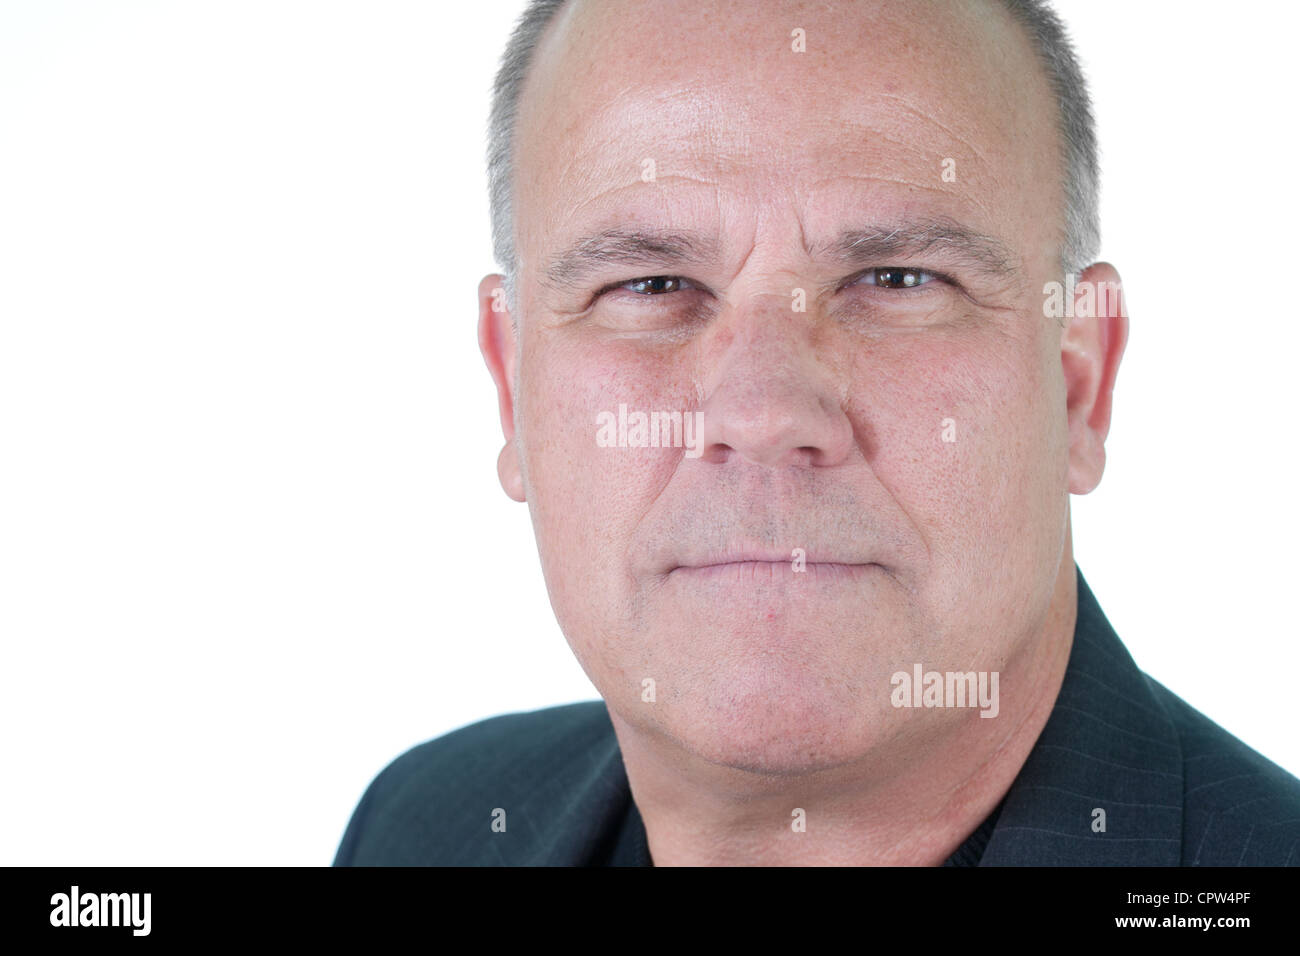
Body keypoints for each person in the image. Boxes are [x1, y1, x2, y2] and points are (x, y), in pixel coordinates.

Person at [334, 0, 1300, 866]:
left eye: (899, 281)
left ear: (1078, 382)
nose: (763, 415)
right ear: (512, 387)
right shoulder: (422, 828)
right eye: (651, 286)